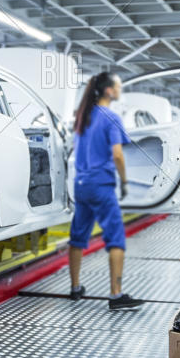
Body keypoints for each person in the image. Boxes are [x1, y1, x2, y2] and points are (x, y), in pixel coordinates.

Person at [68, 71, 140, 310]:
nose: (120, 90)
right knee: (116, 238)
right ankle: (116, 295)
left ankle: (75, 288)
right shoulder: (111, 117)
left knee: (78, 236)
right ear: (109, 90)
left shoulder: (83, 117)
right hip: (101, 185)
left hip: (81, 185)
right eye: (118, 86)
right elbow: (118, 154)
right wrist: (125, 180)